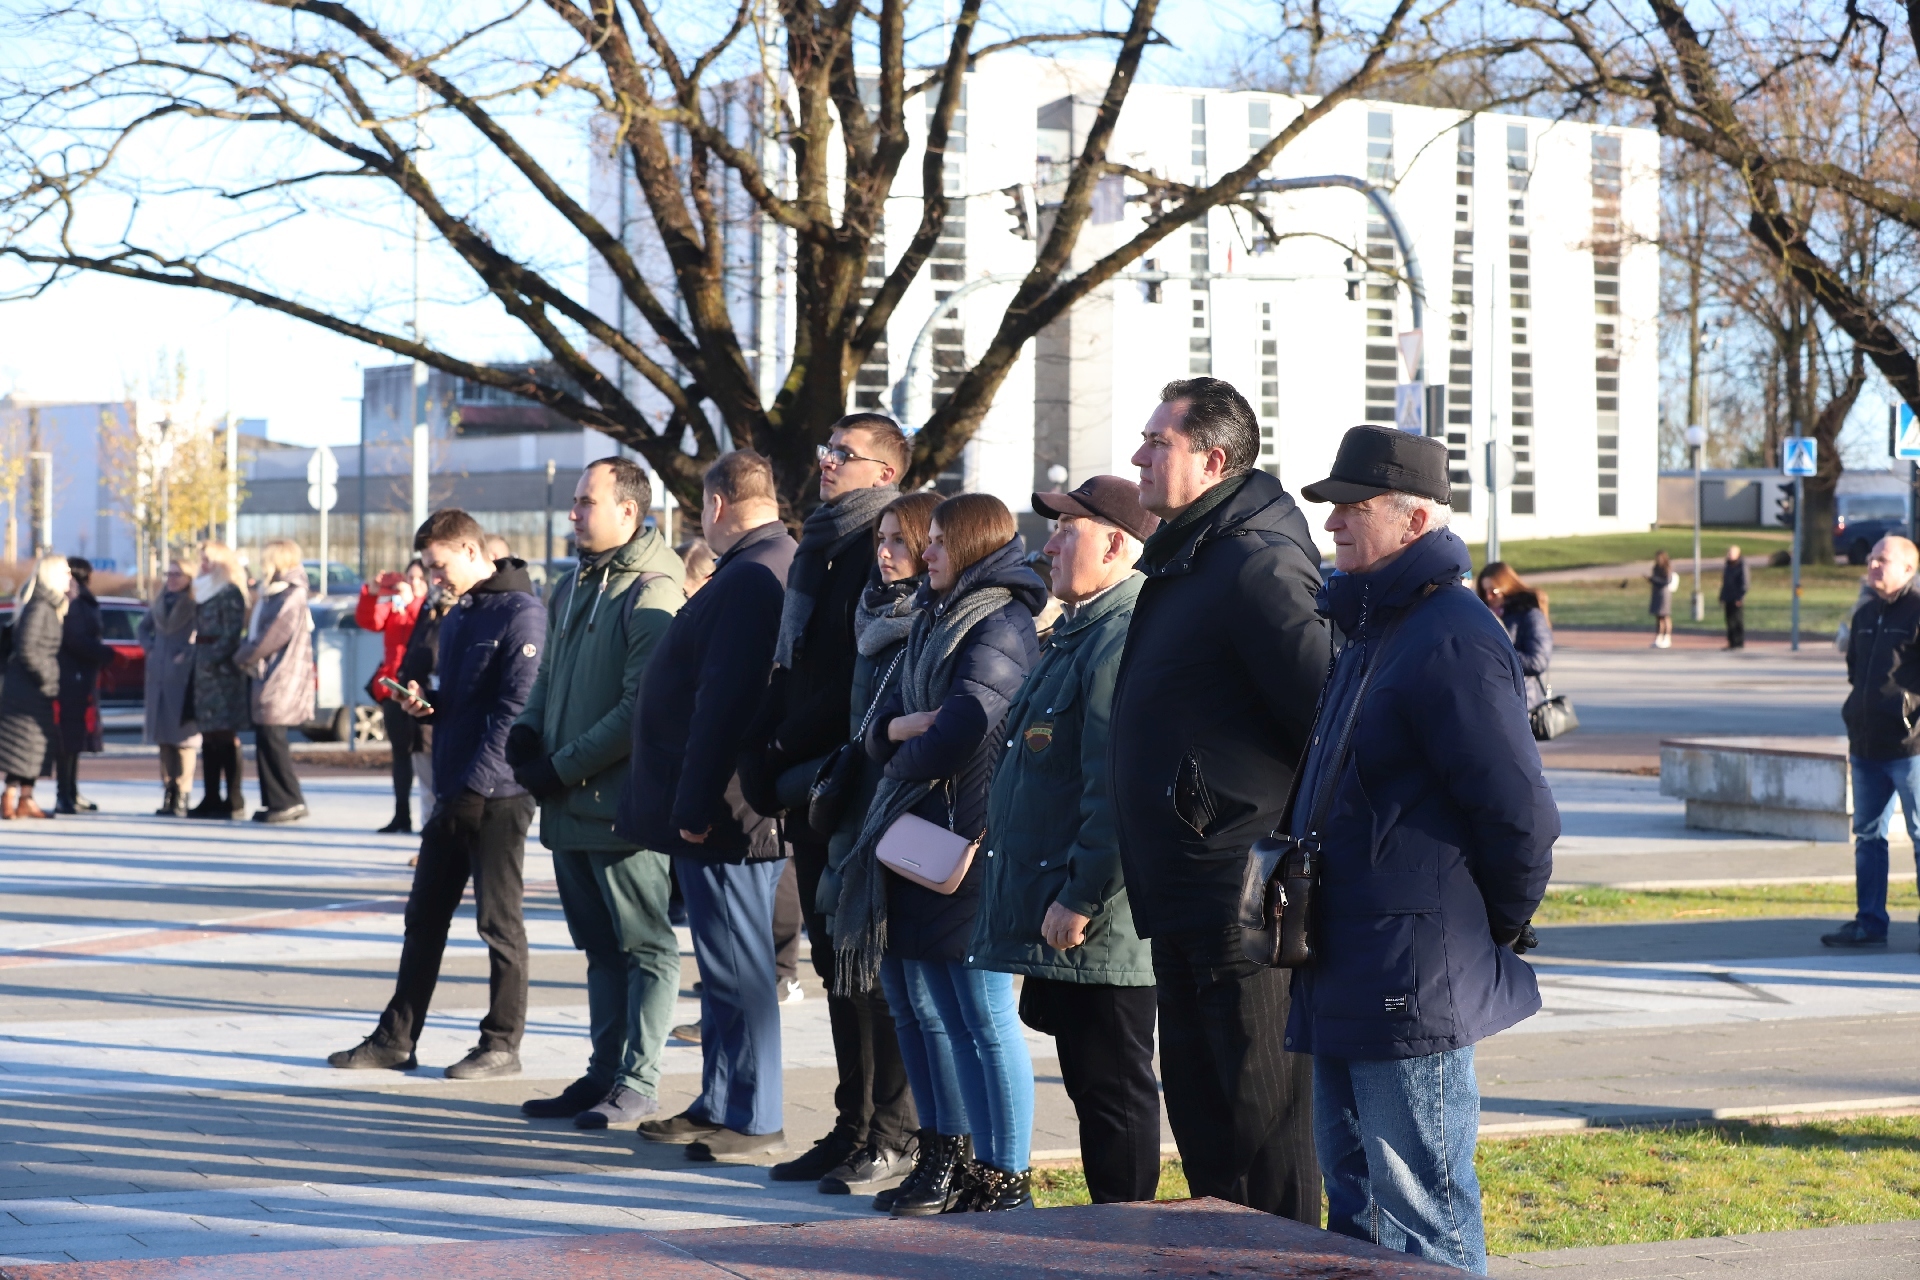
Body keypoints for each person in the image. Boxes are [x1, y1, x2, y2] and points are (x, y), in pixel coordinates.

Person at [1290, 426, 1559, 1273]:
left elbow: (1521, 817)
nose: (1332, 522)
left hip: (1410, 971)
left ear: (1413, 521)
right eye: (1331, 506)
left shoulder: (1450, 635)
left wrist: (1492, 927)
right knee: (1358, 1205)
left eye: (1352, 507)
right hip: (1349, 959)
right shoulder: (1376, 625)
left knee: (1422, 1216)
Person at [1108, 377, 1330, 1223]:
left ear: (1213, 460)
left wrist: (1238, 826)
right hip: (1188, 887)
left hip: (1242, 894)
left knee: (1261, 1130)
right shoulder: (1194, 552)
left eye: (1156, 442)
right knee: (1206, 1128)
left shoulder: (1255, 561)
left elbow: (1327, 716)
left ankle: (1285, 1267)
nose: (1138, 456)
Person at [838, 493, 1045, 1214]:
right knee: (917, 1007)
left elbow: (958, 731)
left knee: (980, 1015)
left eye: (934, 541)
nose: (922, 553)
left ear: (971, 543)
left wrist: (896, 755)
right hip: (914, 837)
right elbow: (878, 724)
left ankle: (1005, 1177)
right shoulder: (934, 616)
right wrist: (893, 738)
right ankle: (944, 1156)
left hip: (968, 842)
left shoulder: (999, 622)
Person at [972, 476, 1162, 1204]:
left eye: (1065, 530)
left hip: (1101, 924)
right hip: (1074, 915)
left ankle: (1126, 1239)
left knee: (1113, 1091)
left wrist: (1081, 895)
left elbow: (1115, 789)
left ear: (1114, 545)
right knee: (1092, 1088)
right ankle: (1112, 1230)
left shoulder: (1117, 636)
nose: (1047, 544)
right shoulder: (1081, 629)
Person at [742, 413, 918, 1196]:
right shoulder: (820, 545)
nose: (828, 463)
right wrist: (763, 747)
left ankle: (893, 1131)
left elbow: (856, 678)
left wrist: (782, 744)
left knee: (870, 966)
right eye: (827, 450)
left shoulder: (890, 546)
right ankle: (853, 1124)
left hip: (859, 782)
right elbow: (794, 669)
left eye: (846, 454)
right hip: (813, 785)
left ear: (885, 473)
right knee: (832, 962)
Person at [618, 450, 796, 1161]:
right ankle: (721, 1101)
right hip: (728, 808)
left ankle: (754, 1116)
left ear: (717, 505)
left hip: (726, 813)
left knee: (741, 971)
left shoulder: (752, 575)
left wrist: (693, 805)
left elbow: (724, 704)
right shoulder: (763, 564)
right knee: (723, 971)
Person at [328, 509, 544, 1078]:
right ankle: (396, 1040)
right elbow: (465, 701)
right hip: (455, 787)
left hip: (499, 793)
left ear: (472, 551)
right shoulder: (460, 613)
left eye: (439, 565)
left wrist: (477, 785)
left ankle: (502, 1044)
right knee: (423, 917)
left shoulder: (522, 613)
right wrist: (429, 702)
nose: (434, 576)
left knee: (498, 922)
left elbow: (515, 711)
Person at [510, 458, 687, 1131]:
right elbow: (549, 677)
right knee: (599, 948)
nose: (574, 513)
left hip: (622, 808)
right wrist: (528, 734)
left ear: (629, 511)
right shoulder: (574, 582)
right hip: (568, 805)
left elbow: (641, 708)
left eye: (587, 501)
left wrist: (562, 768)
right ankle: (602, 1073)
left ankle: (638, 1081)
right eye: (577, 501)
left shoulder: (653, 587)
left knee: (644, 947)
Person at [823, 489, 938, 1210]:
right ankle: (861, 1126)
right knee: (853, 980)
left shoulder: (926, 620)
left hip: (896, 820)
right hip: (855, 816)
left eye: (901, 540)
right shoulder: (872, 613)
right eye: (882, 538)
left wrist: (885, 736)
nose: (886, 551)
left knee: (890, 989)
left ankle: (896, 1133)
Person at [1824, 535, 1920, 950]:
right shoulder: (1864, 614)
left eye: (1883, 559)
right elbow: (1856, 672)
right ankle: (1870, 923)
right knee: (1867, 837)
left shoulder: (1917, 612)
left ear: (1909, 569)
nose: (1873, 565)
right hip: (1866, 745)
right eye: (1871, 558)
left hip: (1910, 747)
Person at [235, 539, 314, 823]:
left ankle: (290, 800)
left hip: (282, 676)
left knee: (274, 740)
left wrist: (242, 655)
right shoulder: (273, 592)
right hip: (268, 675)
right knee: (265, 740)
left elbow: (273, 635)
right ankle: (273, 801)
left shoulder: (291, 594)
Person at [357, 560, 428, 833]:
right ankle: (401, 814)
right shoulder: (398, 606)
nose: (414, 583)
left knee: (426, 753)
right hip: (393, 688)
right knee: (401, 752)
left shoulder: (428, 609)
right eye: (410, 578)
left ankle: (431, 815)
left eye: (420, 578)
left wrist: (412, 604)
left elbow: (422, 635)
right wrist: (372, 593)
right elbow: (370, 621)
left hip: (422, 688)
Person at [0, 555, 70, 820]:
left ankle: (24, 798)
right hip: (27, 688)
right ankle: (11, 798)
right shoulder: (41, 606)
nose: (70, 577)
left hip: (32, 687)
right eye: (66, 572)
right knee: (23, 744)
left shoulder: (49, 604)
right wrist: (46, 676)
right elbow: (27, 648)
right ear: (53, 575)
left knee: (31, 745)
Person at [188, 543, 251, 819]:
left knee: (225, 734)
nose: (203, 565)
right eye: (202, 560)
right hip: (203, 668)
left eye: (209, 560)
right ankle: (211, 796)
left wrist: (212, 658)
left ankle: (233, 798)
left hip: (223, 672)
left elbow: (231, 634)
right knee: (208, 735)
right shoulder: (202, 591)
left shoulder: (229, 592)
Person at [139, 556, 203, 817]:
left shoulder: (194, 603)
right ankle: (169, 791)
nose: (172, 579)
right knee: (163, 737)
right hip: (158, 675)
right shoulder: (159, 601)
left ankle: (183, 793)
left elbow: (204, 635)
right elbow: (143, 628)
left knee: (184, 739)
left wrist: (185, 655)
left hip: (182, 677)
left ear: (189, 578)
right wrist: (151, 649)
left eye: (178, 574)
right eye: (169, 574)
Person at [54, 557, 113, 814]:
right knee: (69, 738)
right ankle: (65, 793)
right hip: (72, 677)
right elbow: (75, 639)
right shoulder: (76, 603)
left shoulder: (81, 600)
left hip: (79, 675)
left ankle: (71, 791)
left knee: (75, 738)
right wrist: (105, 654)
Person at [1476, 561, 1553, 709]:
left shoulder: (1529, 614)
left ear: (1507, 588)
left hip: (1524, 702)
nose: (1489, 597)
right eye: (1484, 592)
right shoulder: (1486, 615)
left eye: (1493, 592)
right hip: (1492, 700)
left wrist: (1496, 655)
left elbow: (1537, 661)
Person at [1721, 545, 1750, 650]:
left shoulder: (1742, 565)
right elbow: (1725, 582)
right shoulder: (1727, 565)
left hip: (1737, 597)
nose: (1729, 555)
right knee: (1729, 620)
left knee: (1737, 620)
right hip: (1728, 596)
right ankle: (1731, 642)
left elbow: (1745, 583)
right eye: (1728, 553)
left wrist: (1740, 597)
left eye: (1731, 553)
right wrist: (1722, 596)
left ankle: (1738, 642)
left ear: (1738, 554)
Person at [1648, 550, 1676, 649]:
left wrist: (1655, 580)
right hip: (1656, 593)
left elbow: (1667, 580)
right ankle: (1658, 637)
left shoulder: (1667, 568)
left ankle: (1667, 637)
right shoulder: (1656, 568)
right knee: (1658, 616)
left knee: (1665, 615)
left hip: (1664, 593)